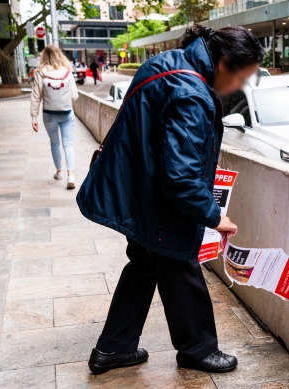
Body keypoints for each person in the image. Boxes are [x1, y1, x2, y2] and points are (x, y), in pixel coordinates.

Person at [77, 24, 263, 375]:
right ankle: (198, 350)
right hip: (159, 202)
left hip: (139, 193)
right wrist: (214, 216)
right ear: (224, 64)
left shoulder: (166, 63)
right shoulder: (192, 92)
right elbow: (179, 177)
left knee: (144, 266)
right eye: (242, 78)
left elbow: (159, 137)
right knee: (181, 267)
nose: (239, 88)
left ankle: (112, 349)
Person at [30, 44, 79, 189]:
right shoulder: (66, 72)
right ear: (59, 56)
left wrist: (34, 117)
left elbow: (36, 96)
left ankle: (59, 172)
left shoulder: (40, 72)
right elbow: (75, 96)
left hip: (49, 114)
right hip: (67, 113)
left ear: (44, 57)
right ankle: (71, 175)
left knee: (55, 143)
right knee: (68, 144)